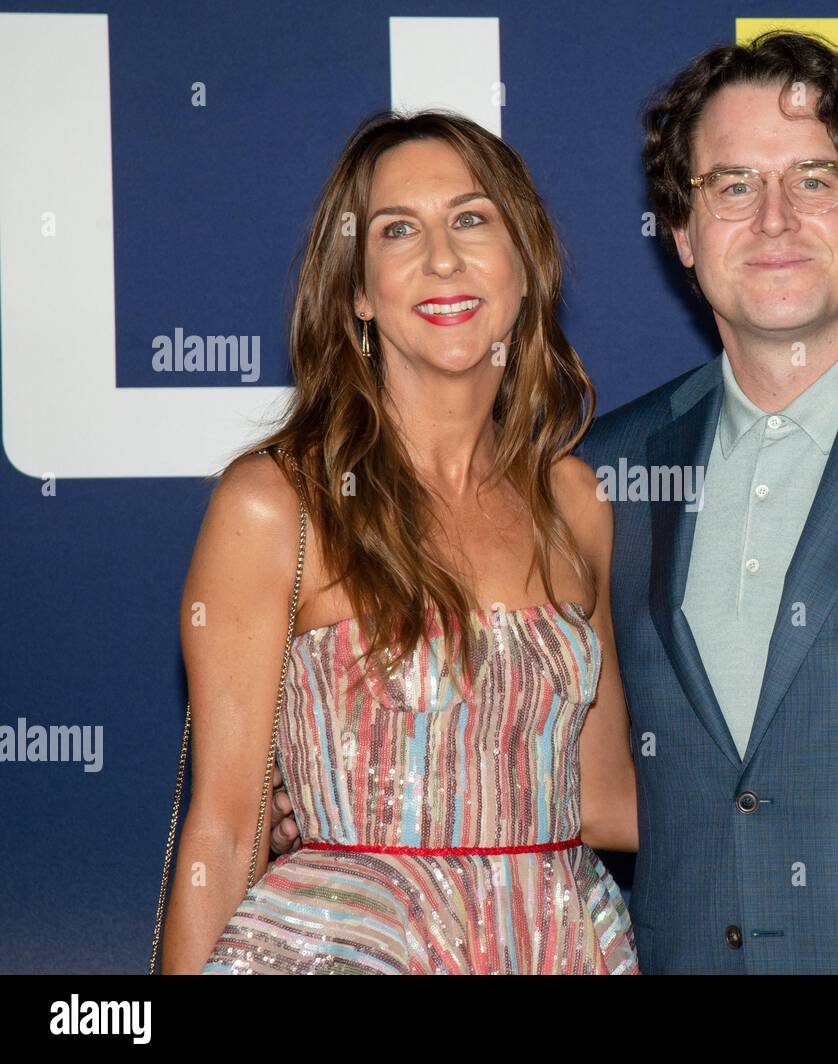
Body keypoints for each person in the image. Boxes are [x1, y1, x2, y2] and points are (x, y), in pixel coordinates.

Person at [271, 31, 838, 975]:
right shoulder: (598, 476)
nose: (773, 218)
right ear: (686, 236)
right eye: (732, 186)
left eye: (816, 179)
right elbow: (555, 755)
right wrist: (362, 806)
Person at [160, 109, 639, 974]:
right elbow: (226, 832)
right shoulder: (277, 504)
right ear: (355, 292)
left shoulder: (573, 500)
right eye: (397, 230)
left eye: (470, 219)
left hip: (561, 949)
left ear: (525, 267)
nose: (443, 258)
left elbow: (607, 803)